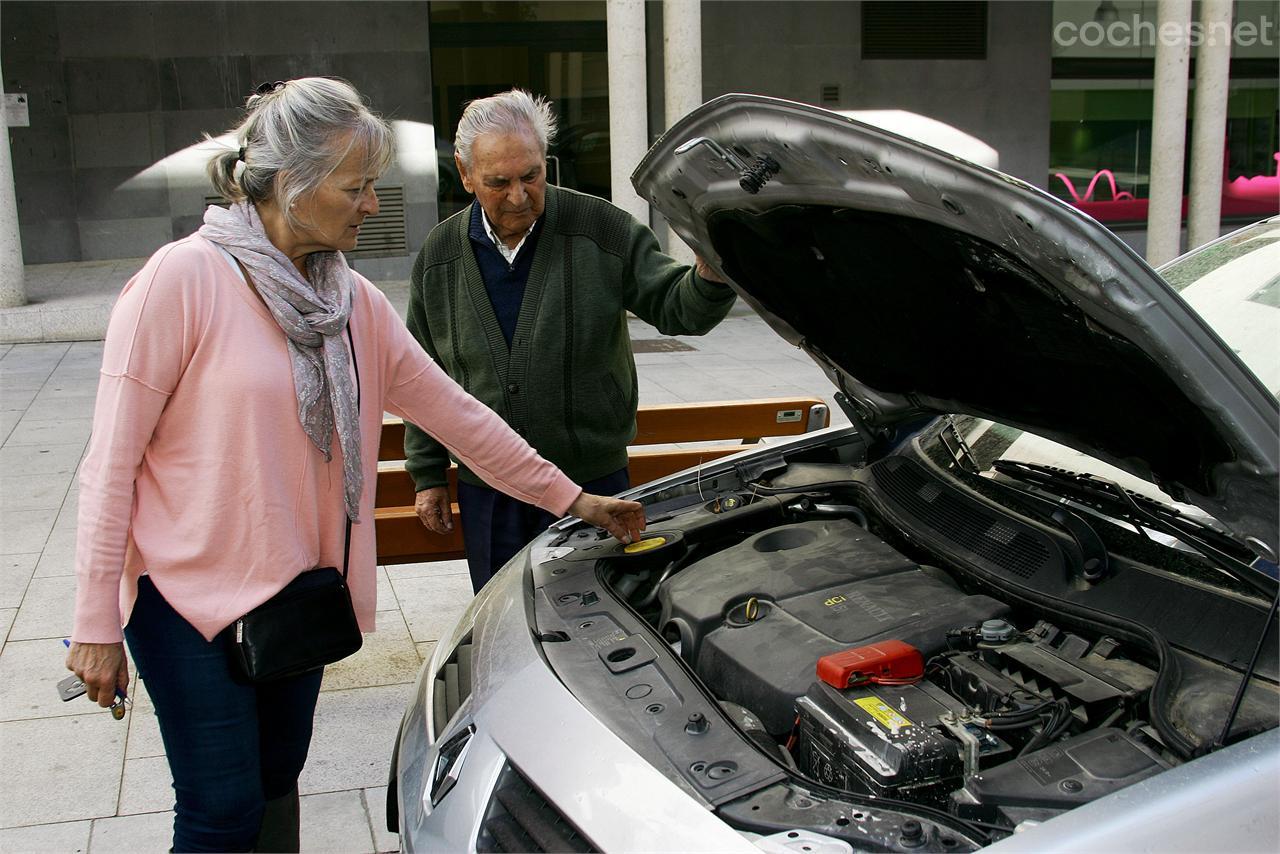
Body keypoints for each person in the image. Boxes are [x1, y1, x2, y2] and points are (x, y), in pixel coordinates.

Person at [63, 78, 644, 853]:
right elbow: (109, 466)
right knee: (221, 809)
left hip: (299, 597)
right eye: (358, 186)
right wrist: (93, 625)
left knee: (275, 786)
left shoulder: (350, 302)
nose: (373, 205)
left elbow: (460, 419)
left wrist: (574, 499)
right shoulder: (181, 282)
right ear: (292, 184)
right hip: (185, 603)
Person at [405, 89, 736, 592]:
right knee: (501, 616)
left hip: (592, 481)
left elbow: (677, 306)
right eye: (498, 182)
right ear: (465, 172)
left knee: (595, 613)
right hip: (489, 488)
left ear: (546, 162)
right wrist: (428, 473)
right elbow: (421, 374)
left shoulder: (600, 228)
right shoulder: (440, 254)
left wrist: (711, 275)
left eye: (531, 176)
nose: (518, 195)